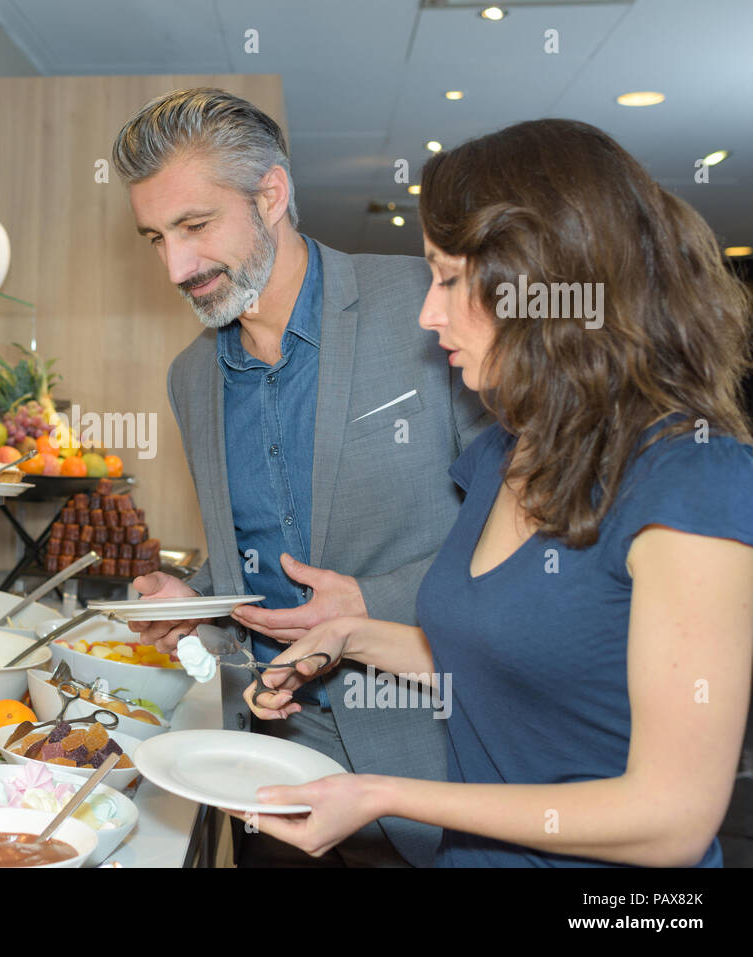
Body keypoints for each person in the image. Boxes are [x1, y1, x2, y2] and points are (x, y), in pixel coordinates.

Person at [235, 117, 753, 867]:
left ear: (542, 287)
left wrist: (384, 793)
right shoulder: (503, 454)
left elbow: (669, 818)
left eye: (448, 279)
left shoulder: (693, 482)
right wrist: (348, 639)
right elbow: (501, 659)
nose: (427, 312)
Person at [110, 88, 490, 867]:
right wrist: (200, 599)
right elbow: (252, 567)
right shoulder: (190, 377)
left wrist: (368, 605)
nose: (176, 267)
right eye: (155, 237)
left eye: (194, 225)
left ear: (272, 194)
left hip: (440, 766)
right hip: (269, 776)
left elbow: (524, 533)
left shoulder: (424, 309)